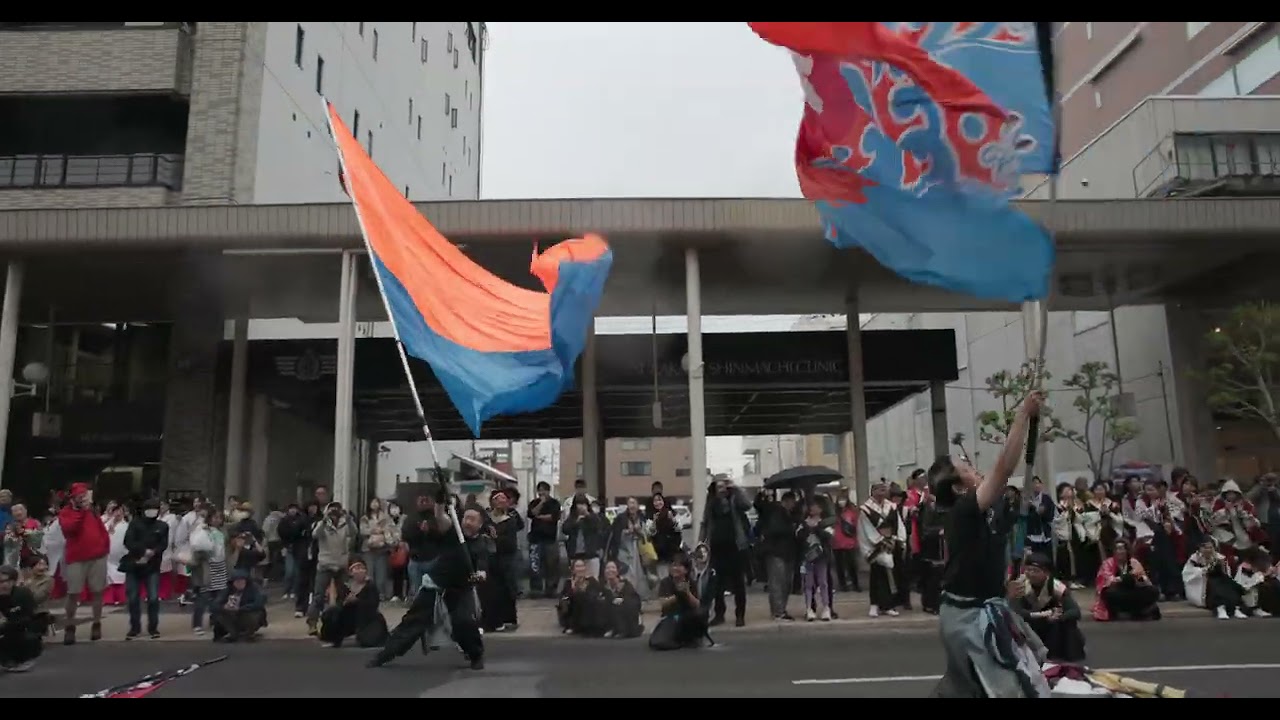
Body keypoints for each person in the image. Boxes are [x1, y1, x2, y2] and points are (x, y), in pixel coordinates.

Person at [930, 390, 1052, 699]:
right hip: (967, 619)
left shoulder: (984, 510)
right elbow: (1004, 469)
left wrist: (1004, 588)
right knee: (1006, 687)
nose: (974, 469)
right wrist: (1022, 414)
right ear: (958, 488)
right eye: (967, 469)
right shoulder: (963, 511)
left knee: (976, 686)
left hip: (983, 607)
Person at [368, 505, 488, 671]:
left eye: (472, 519)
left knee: (465, 622)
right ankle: (385, 654)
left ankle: (475, 655)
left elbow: (483, 567)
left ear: (480, 524)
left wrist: (480, 575)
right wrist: (439, 501)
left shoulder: (482, 544)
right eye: (466, 518)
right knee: (412, 622)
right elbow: (440, 517)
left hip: (460, 589)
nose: (467, 522)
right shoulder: (452, 533)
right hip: (435, 584)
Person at [58, 482, 110, 645]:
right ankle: (70, 626)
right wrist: (80, 512)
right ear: (72, 499)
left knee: (97, 591)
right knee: (73, 593)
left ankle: (96, 623)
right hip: (76, 558)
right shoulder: (65, 513)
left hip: (98, 556)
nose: (83, 499)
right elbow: (70, 530)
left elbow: (101, 530)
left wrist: (105, 547)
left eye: (84, 496)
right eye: (79, 497)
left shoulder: (92, 511)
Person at [1009, 553, 1086, 663]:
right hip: (1031, 626)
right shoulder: (1021, 586)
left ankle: (1063, 657)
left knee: (1069, 623)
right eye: (1028, 570)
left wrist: (1058, 616)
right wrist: (1042, 615)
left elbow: (1075, 611)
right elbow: (1016, 611)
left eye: (1035, 571)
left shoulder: (1057, 587)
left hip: (1052, 628)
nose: (1031, 574)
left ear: (1046, 573)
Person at [700, 475, 751, 627]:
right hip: (716, 547)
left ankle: (740, 615)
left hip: (735, 546)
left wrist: (735, 488)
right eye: (718, 487)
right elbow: (705, 522)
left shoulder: (734, 499)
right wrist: (701, 543)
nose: (721, 490)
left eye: (723, 486)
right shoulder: (711, 502)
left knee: (738, 582)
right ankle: (719, 614)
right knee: (717, 582)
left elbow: (747, 505)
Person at [121, 498, 169, 640]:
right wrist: (143, 551)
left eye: (155, 508)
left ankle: (153, 627)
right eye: (149, 508)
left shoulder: (162, 526)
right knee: (133, 598)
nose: (152, 511)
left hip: (152, 565)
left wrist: (153, 552)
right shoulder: (135, 524)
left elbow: (163, 544)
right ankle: (134, 627)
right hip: (134, 564)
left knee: (153, 598)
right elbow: (128, 541)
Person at [859, 480, 906, 618]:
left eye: (884, 489)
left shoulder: (891, 506)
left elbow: (898, 524)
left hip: (891, 543)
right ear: (873, 491)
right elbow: (865, 529)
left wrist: (897, 539)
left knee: (889, 576)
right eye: (879, 489)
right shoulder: (866, 509)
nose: (882, 492)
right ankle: (874, 604)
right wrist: (880, 541)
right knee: (876, 575)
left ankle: (888, 605)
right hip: (875, 546)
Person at [320, 559, 389, 647]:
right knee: (331, 613)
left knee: (368, 642)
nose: (359, 571)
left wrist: (358, 600)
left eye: (361, 568)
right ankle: (333, 639)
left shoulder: (370, 586)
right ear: (351, 572)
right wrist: (346, 602)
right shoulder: (346, 586)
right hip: (349, 617)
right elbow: (338, 605)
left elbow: (373, 605)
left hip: (367, 618)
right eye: (356, 568)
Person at [648, 553, 706, 651]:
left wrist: (687, 593)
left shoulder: (691, 582)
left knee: (700, 614)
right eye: (673, 565)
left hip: (687, 617)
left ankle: (694, 637)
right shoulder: (665, 582)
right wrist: (676, 595)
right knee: (657, 643)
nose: (675, 568)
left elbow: (697, 604)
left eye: (679, 566)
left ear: (686, 570)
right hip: (671, 617)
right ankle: (678, 641)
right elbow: (663, 603)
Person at [1093, 539, 1161, 621]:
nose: (1119, 552)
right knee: (1108, 593)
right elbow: (1106, 580)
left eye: (1121, 549)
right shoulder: (1108, 563)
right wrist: (1122, 579)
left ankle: (1139, 610)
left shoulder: (1133, 562)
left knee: (1153, 590)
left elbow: (1144, 580)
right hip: (1118, 592)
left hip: (1133, 591)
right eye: (1117, 549)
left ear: (1127, 551)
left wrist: (1137, 578)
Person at [0, 565, 41, 671]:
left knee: (29, 637)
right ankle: (6, 660)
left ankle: (21, 659)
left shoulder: (23, 594)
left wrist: (8, 624)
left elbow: (31, 617)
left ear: (13, 582)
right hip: (5, 628)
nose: (1, 585)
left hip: (21, 628)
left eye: (4, 581)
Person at [526, 482, 562, 598]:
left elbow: (553, 517)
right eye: (540, 490)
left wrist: (540, 517)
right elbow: (532, 513)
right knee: (535, 565)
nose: (542, 493)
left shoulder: (554, 503)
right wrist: (541, 503)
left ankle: (551, 589)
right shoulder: (534, 503)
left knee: (552, 565)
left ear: (548, 491)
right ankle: (536, 590)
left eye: (544, 490)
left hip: (550, 539)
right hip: (535, 539)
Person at [211, 569, 267, 642]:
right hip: (232, 614)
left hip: (246, 612)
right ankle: (233, 633)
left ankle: (249, 633)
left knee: (254, 614)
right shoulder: (228, 589)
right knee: (218, 615)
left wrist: (241, 608)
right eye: (237, 581)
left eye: (241, 581)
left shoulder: (254, 588)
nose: (239, 584)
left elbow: (259, 603)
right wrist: (224, 607)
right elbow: (215, 604)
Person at [558, 558, 606, 636]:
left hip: (590, 610)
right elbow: (564, 598)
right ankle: (574, 626)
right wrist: (573, 589)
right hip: (574, 610)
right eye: (577, 566)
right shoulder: (569, 582)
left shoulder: (591, 580)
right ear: (573, 570)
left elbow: (600, 592)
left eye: (582, 566)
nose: (580, 569)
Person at [562, 494, 605, 577]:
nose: (581, 507)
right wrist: (576, 522)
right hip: (575, 554)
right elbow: (565, 529)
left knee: (592, 579)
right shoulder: (572, 518)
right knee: (577, 578)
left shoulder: (592, 516)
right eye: (579, 504)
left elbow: (598, 526)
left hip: (591, 554)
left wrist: (587, 515)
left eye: (583, 504)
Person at [600, 559, 644, 638]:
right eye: (607, 568)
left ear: (617, 571)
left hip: (626, 612)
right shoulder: (603, 585)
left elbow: (635, 600)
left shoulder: (625, 584)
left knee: (622, 604)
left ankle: (623, 630)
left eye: (613, 568)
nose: (610, 570)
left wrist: (623, 599)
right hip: (610, 613)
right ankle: (611, 628)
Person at [1235, 547, 1279, 617]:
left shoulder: (1262, 566)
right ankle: (1256, 609)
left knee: (1275, 583)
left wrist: (1270, 573)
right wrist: (1263, 575)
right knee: (1262, 587)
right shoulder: (1246, 567)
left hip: (1258, 585)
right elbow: (1246, 582)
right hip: (1247, 590)